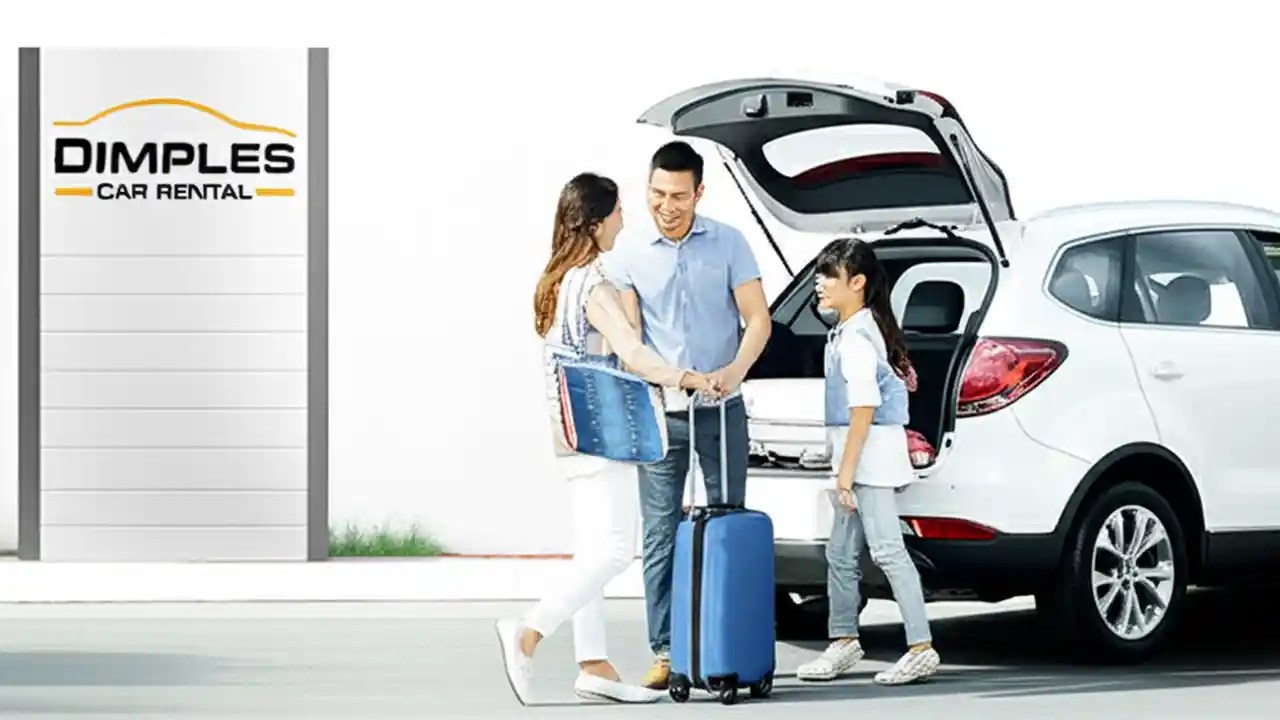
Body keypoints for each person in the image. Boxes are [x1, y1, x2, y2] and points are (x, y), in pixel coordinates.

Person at [495, 172, 715, 705]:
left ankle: (593, 664)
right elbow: (633, 354)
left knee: (592, 548)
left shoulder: (557, 281)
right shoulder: (591, 285)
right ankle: (528, 631)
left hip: (568, 432)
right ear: (596, 222)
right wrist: (688, 378)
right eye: (619, 212)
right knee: (617, 549)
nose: (626, 220)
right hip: (604, 431)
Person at [600, 141, 772, 689]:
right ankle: (667, 651)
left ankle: (726, 641)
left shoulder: (730, 243)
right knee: (660, 533)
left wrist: (734, 372)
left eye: (678, 195)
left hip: (723, 408)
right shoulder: (628, 254)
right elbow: (631, 339)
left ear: (699, 192)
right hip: (663, 410)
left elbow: (758, 320)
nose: (666, 205)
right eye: (656, 194)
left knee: (726, 522)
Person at [794, 237, 941, 686]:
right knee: (840, 553)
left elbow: (864, 409)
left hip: (869, 464)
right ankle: (843, 640)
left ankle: (921, 646)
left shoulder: (857, 337)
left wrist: (845, 473)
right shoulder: (851, 330)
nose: (818, 284)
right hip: (858, 459)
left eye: (828, 277)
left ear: (856, 282)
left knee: (887, 551)